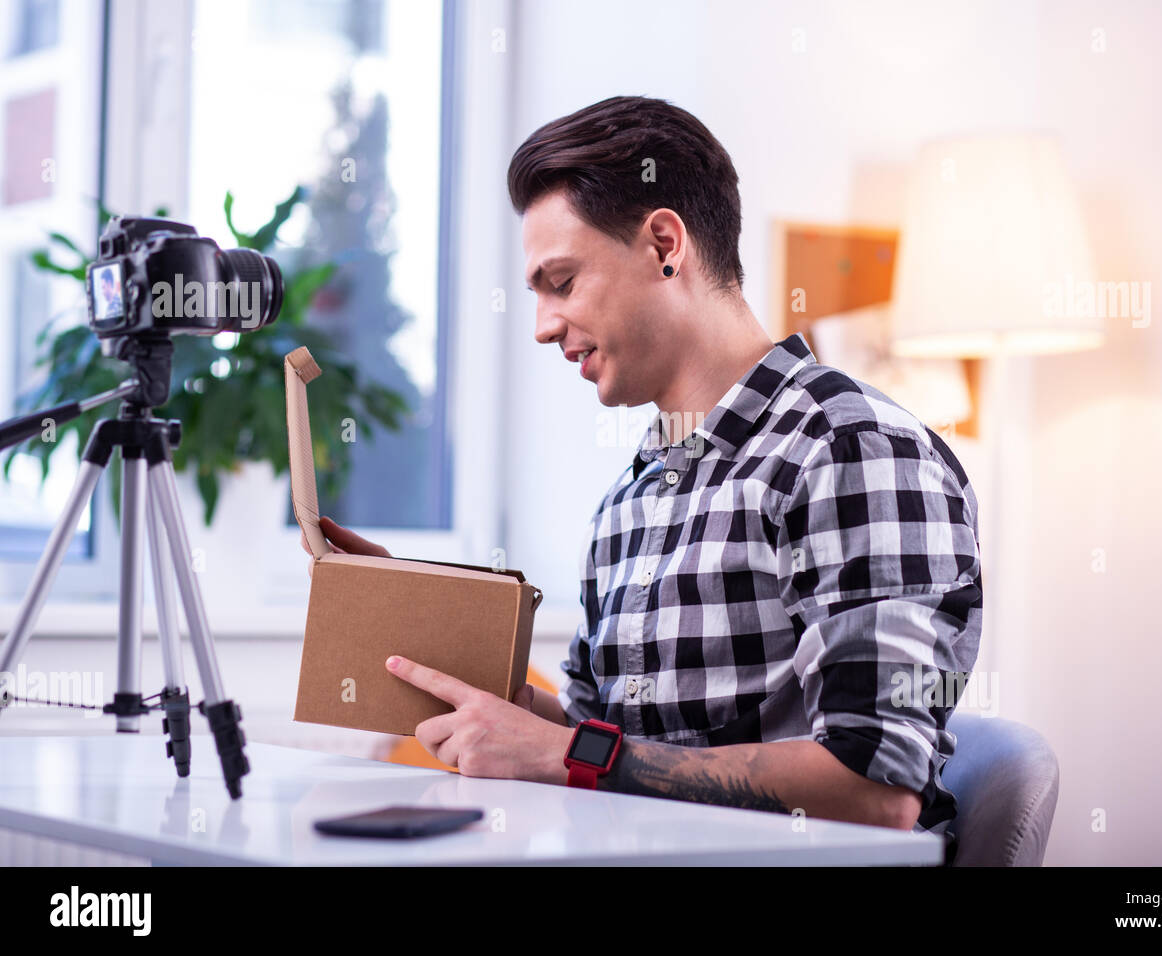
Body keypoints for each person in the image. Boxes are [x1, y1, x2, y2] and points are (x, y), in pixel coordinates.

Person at [304, 95, 982, 853]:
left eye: (560, 282)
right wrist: (418, 628)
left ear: (665, 243)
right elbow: (599, 737)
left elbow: (875, 790)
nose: (542, 326)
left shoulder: (853, 449)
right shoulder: (631, 498)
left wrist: (568, 756)